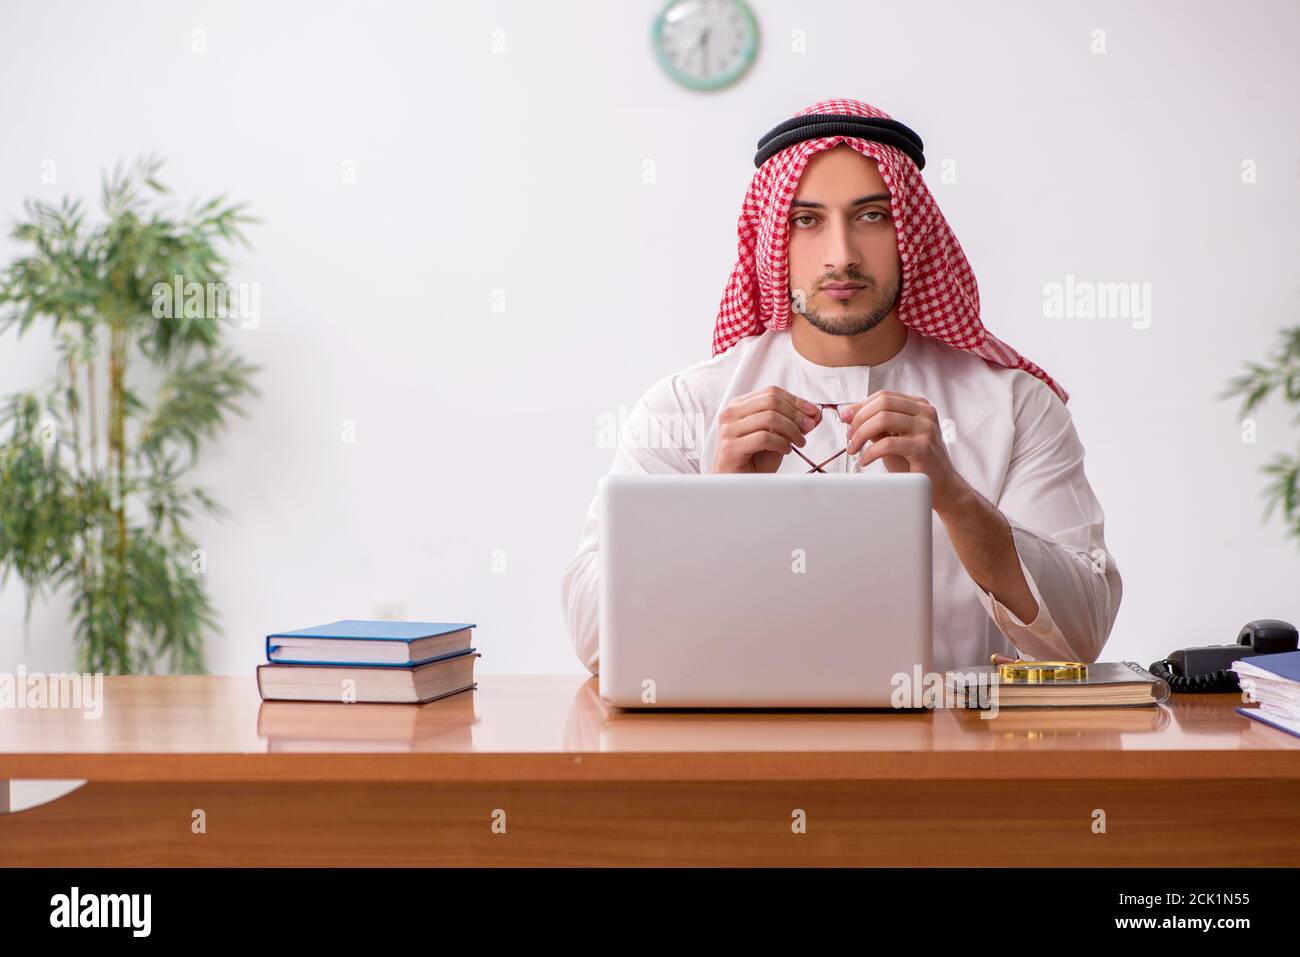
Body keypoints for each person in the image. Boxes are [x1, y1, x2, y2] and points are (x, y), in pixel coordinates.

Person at [560, 97, 1122, 677]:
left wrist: (954, 498)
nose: (842, 255)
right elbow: (597, 642)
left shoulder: (1017, 406)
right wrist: (714, 503)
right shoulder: (686, 406)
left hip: (950, 758)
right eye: (807, 220)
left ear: (911, 231)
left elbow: (1077, 640)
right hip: (740, 755)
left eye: (872, 216)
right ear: (775, 235)